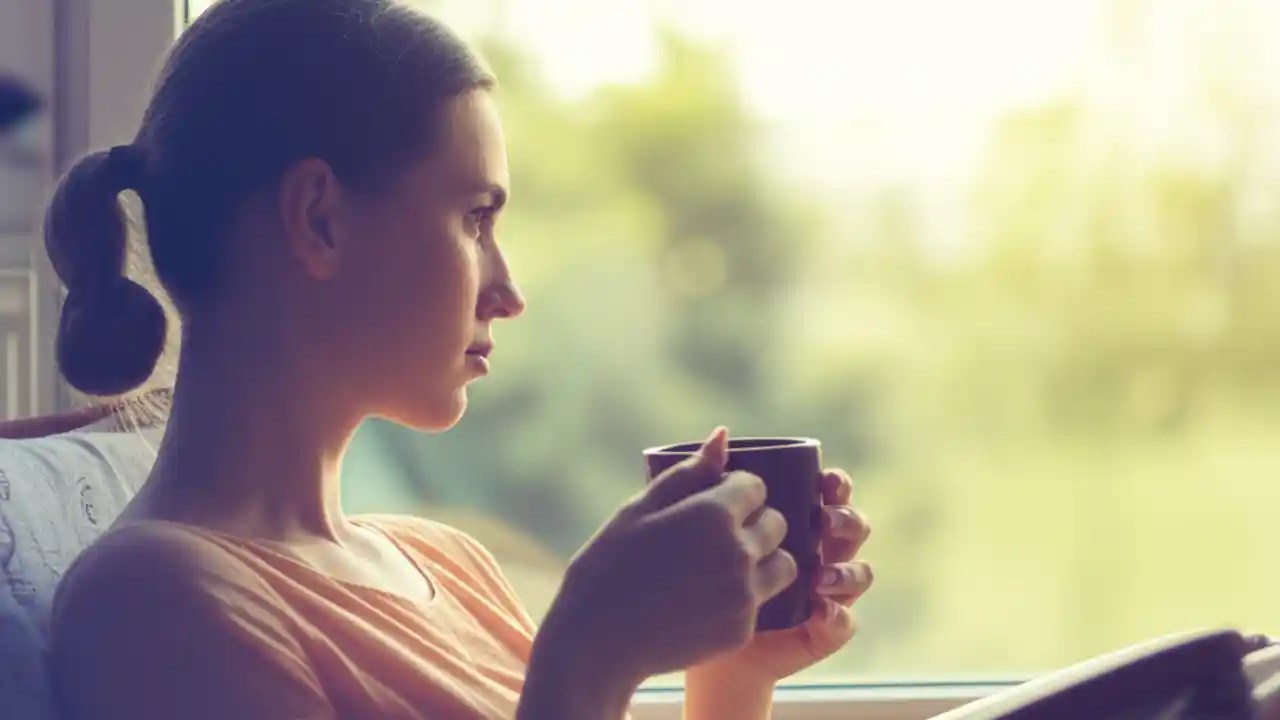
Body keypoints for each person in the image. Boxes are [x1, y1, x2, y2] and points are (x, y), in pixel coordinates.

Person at [44, 1, 874, 718]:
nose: (508, 291)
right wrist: (591, 653)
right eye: (476, 217)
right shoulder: (151, 602)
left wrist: (733, 672)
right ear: (321, 220)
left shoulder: (445, 565)